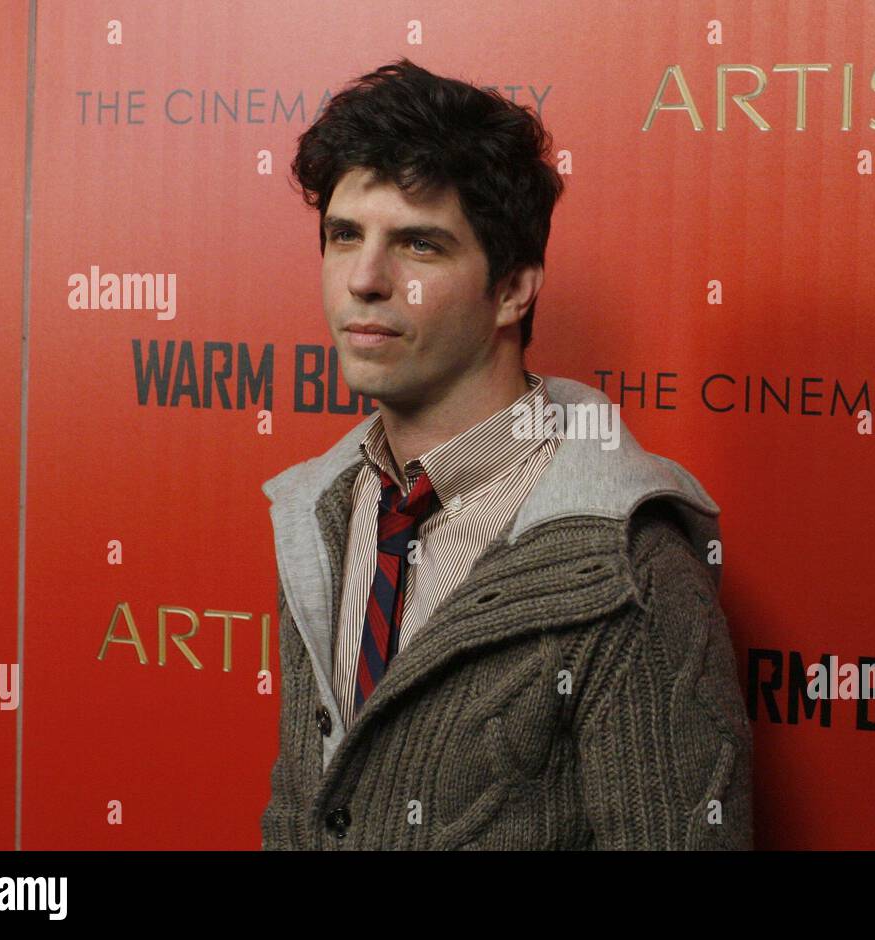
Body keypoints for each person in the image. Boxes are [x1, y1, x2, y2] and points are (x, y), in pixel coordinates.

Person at [260, 57, 752, 850]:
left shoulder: (627, 564)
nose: (364, 278)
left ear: (515, 288)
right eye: (344, 235)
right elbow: (302, 814)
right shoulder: (320, 514)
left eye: (419, 246)